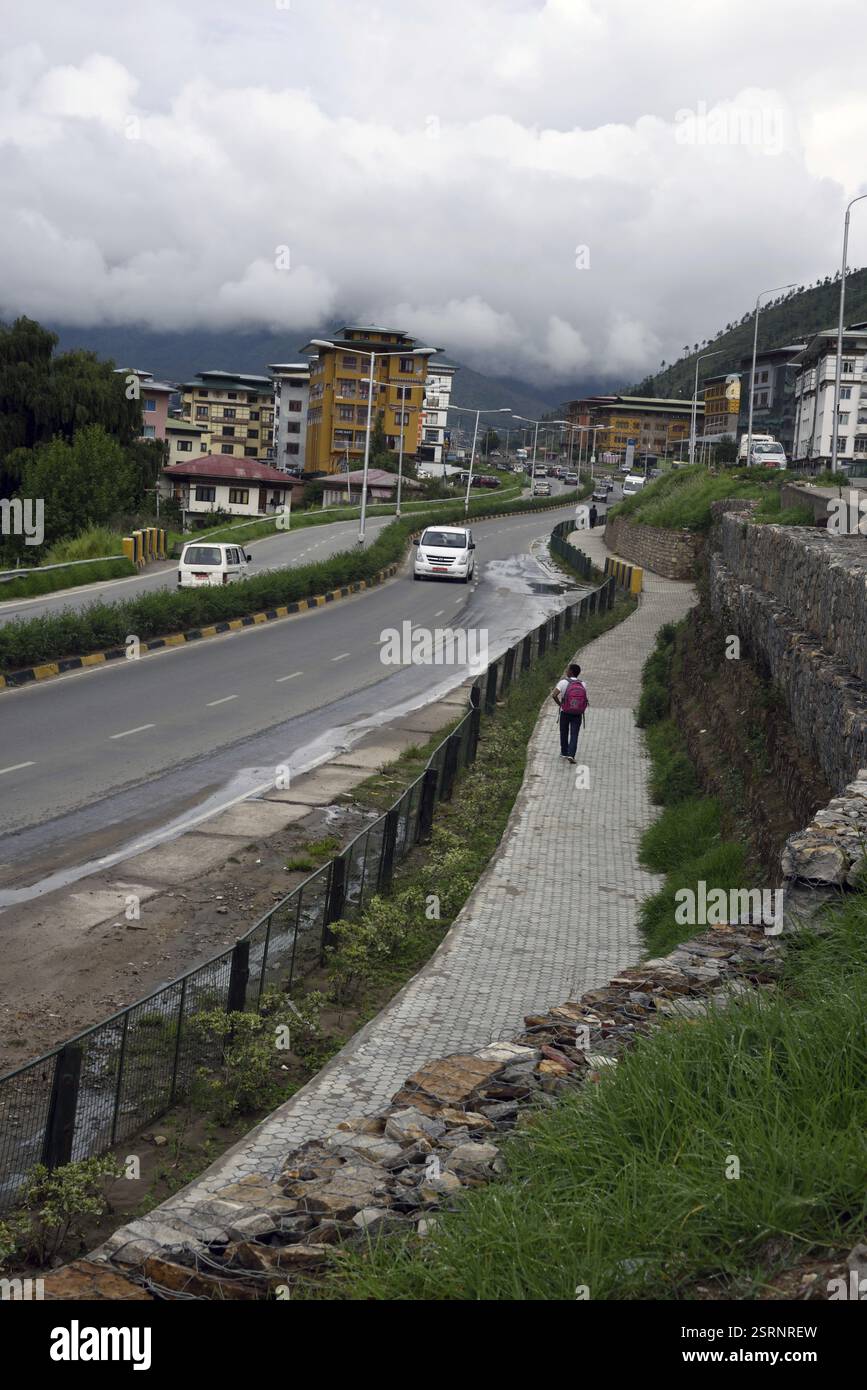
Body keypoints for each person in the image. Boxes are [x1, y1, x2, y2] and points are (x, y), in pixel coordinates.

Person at [552, 662, 588, 763]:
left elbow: (554, 695)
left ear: (571, 672)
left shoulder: (563, 682)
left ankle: (564, 752)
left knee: (564, 732)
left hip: (565, 711)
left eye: (567, 669)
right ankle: (571, 755)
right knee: (574, 734)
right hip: (577, 713)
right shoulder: (583, 684)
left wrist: (561, 705)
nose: (566, 671)